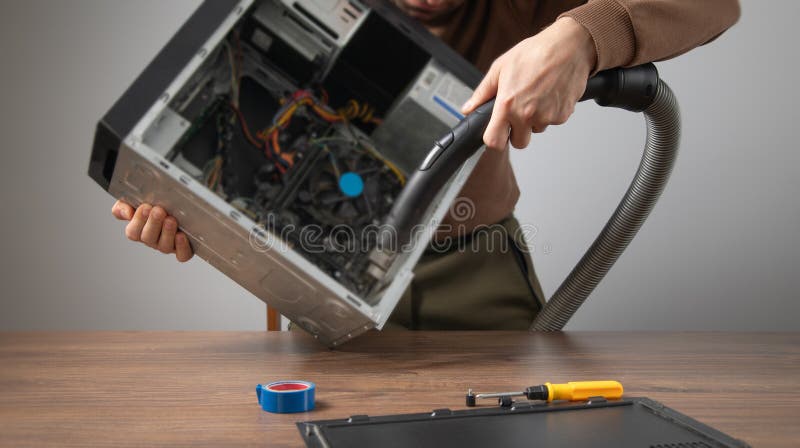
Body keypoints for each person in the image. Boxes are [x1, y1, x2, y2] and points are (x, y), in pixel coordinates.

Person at [111, 0, 740, 330]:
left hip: (475, 263)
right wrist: (187, 205)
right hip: (320, 271)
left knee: (514, 426)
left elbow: (714, 2)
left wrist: (583, 35)